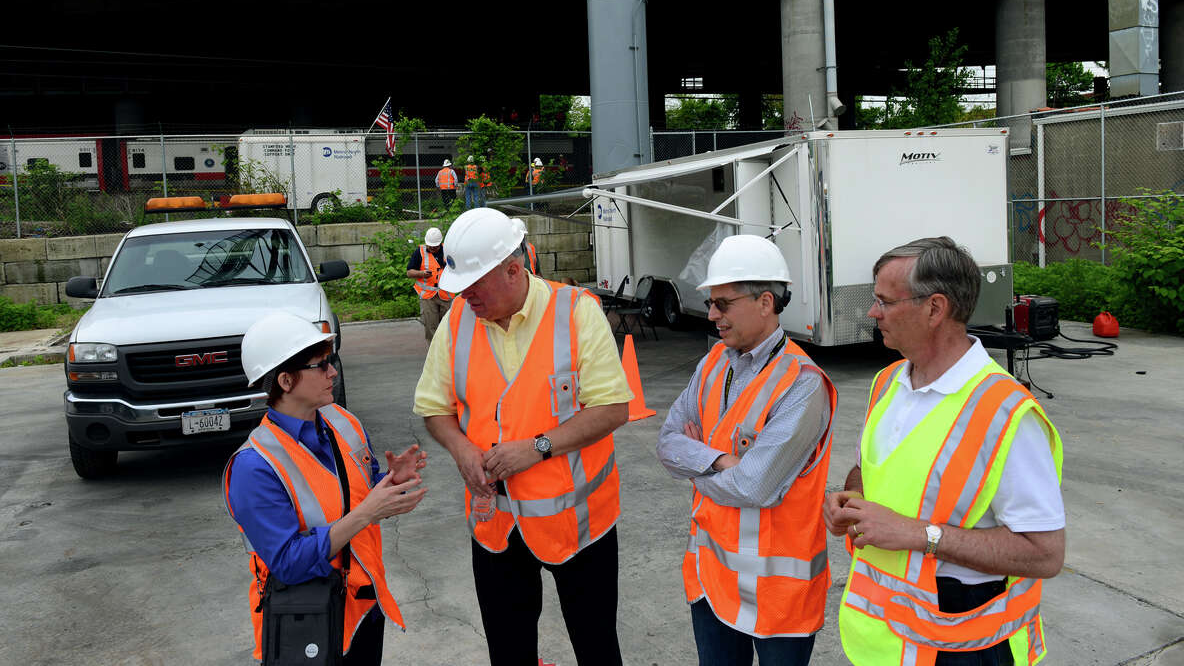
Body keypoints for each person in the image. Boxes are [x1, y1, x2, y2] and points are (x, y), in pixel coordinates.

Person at [825, 237, 1064, 666]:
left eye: (884, 301)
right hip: (884, 640)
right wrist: (853, 498)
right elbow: (875, 470)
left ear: (934, 309)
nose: (871, 312)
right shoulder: (888, 382)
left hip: (963, 643)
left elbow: (1045, 553)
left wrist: (919, 534)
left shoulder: (1005, 413)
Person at [413, 207, 632, 666]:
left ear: (514, 270)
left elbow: (612, 408)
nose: (465, 296)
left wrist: (537, 448)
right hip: (495, 527)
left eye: (475, 285)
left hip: (578, 526)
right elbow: (434, 408)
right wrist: (461, 450)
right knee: (508, 650)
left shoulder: (577, 312)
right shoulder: (457, 321)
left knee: (596, 648)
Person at [657, 235, 837, 666]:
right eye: (712, 302)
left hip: (778, 597)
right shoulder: (712, 363)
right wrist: (719, 460)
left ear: (766, 302)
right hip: (710, 580)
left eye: (723, 303)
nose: (712, 314)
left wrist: (694, 461)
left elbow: (755, 485)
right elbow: (666, 444)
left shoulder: (802, 383)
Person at [224, 311, 428, 665]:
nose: (333, 371)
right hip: (305, 623)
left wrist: (390, 482)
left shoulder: (342, 422)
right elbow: (288, 562)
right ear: (286, 381)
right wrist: (369, 512)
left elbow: (356, 496)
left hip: (363, 607)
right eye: (321, 365)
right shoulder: (254, 467)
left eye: (330, 360)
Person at [407, 227, 452, 345]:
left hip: (446, 295)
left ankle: (447, 351)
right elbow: (409, 272)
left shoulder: (448, 250)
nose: (432, 248)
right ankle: (433, 354)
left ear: (440, 244)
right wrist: (421, 273)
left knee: (448, 327)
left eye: (435, 246)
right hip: (428, 297)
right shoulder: (420, 252)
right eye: (430, 246)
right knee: (430, 327)